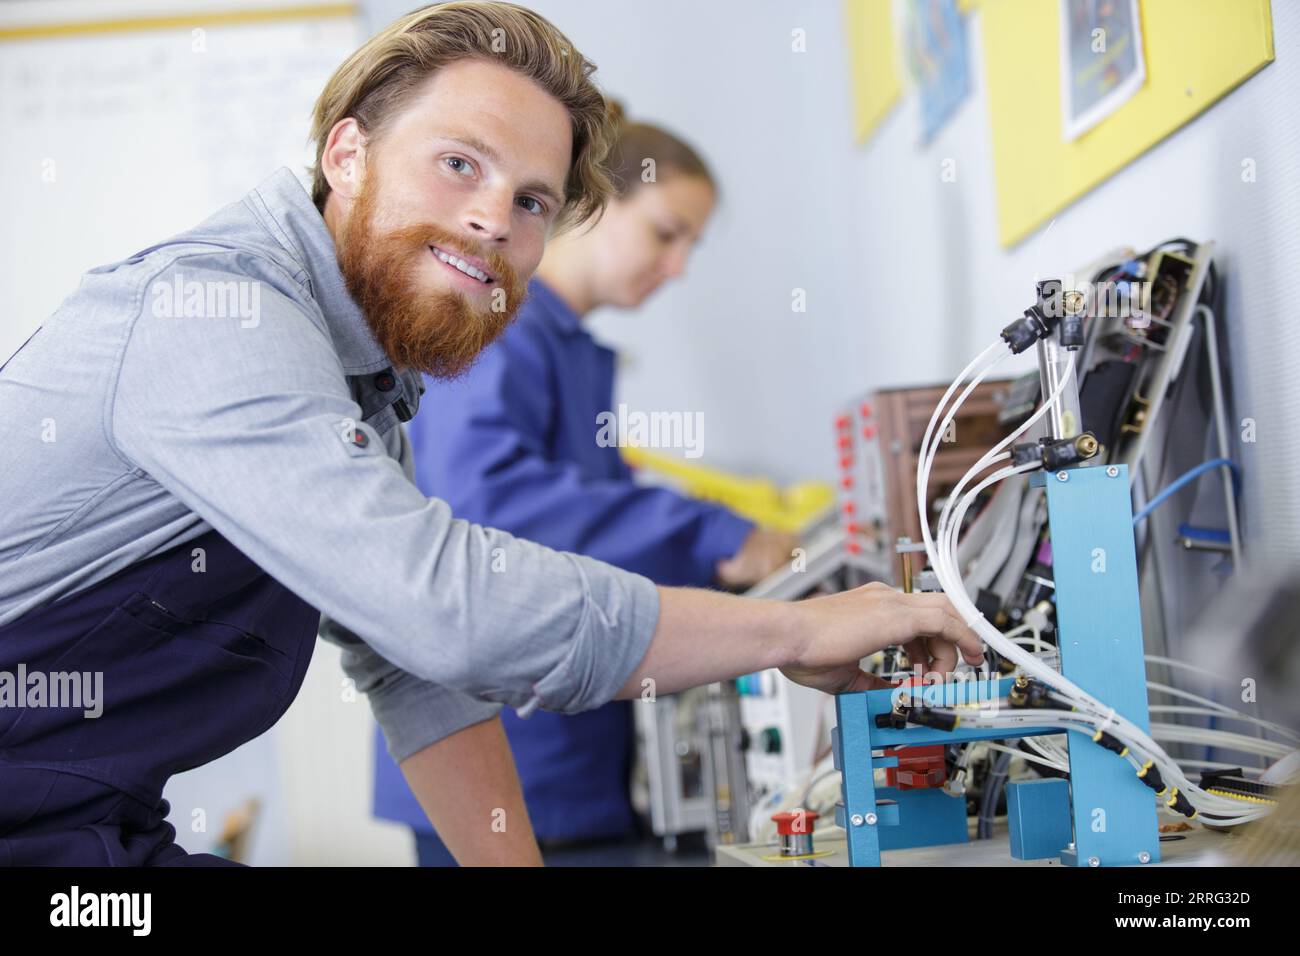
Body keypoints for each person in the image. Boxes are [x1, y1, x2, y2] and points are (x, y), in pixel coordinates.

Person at [0, 1, 981, 866]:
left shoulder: (359, 380)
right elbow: (445, 606)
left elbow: (412, 663)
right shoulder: (220, 316)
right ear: (347, 154)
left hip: (76, 820)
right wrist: (794, 627)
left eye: (530, 202)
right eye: (458, 163)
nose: (490, 222)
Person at [374, 106, 797, 865]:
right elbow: (493, 504)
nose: (678, 267)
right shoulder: (500, 322)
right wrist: (717, 536)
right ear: (595, 200)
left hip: (561, 756)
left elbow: (585, 508)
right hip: (510, 759)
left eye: (692, 246)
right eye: (666, 233)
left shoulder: (564, 345)